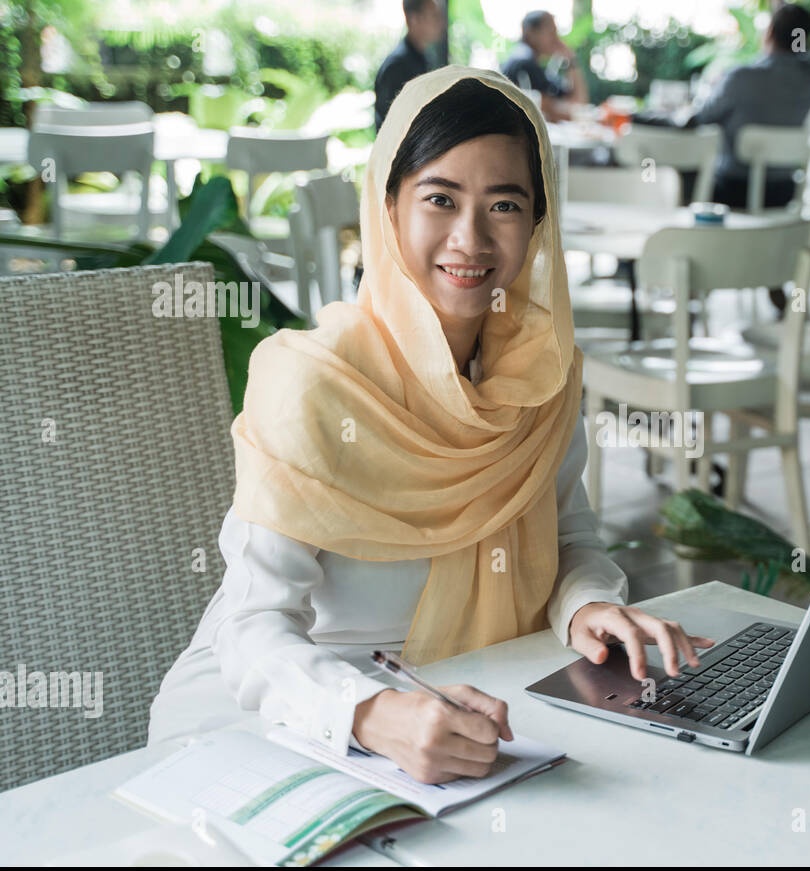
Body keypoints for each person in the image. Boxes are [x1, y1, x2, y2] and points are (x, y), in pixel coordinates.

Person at [148, 67, 713, 786]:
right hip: (275, 720)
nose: (470, 238)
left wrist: (589, 607)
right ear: (387, 208)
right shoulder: (312, 383)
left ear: (538, 223)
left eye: (504, 204)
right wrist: (365, 713)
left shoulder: (542, 379)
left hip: (459, 710)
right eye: (439, 199)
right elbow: (252, 629)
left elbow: (571, 538)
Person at [686, 3, 810, 210]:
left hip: (731, 190)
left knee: (685, 175)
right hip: (783, 191)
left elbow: (701, 118)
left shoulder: (740, 77)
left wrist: (717, 86)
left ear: (770, 32)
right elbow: (801, 57)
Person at [500, 10, 589, 123]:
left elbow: (576, 101)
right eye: (551, 32)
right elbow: (553, 112)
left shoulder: (530, 60)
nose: (556, 39)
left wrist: (571, 61)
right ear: (531, 33)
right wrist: (588, 117)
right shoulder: (524, 62)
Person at [373, 0, 447, 134]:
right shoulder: (397, 67)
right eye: (434, 16)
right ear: (414, 20)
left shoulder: (421, 58)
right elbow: (392, 130)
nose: (441, 22)